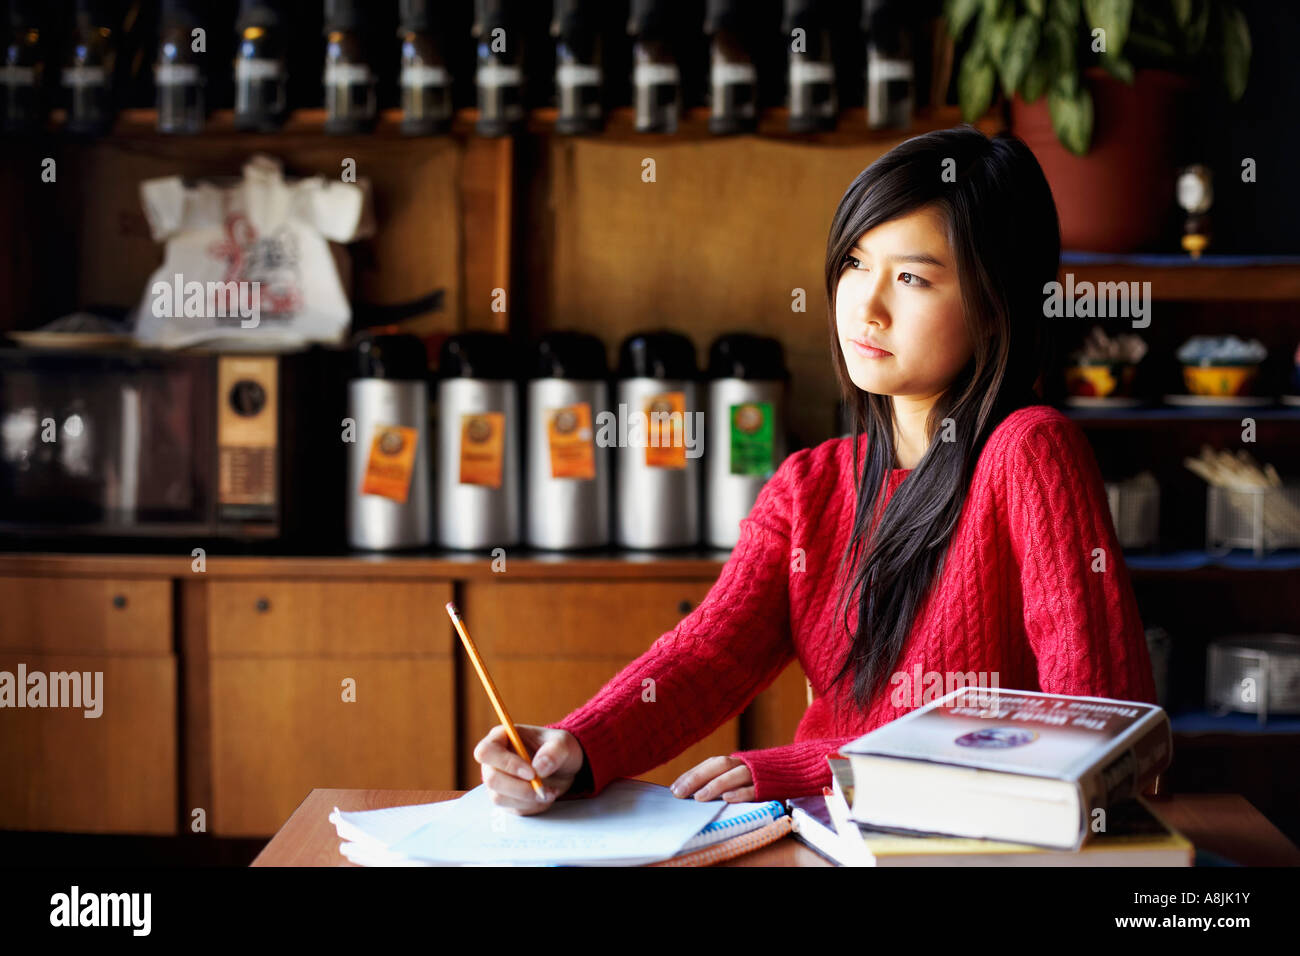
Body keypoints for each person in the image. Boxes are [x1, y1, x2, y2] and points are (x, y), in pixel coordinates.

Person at [474, 125, 1157, 815]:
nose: (866, 305)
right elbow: (710, 655)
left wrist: (835, 770)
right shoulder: (811, 485)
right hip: (821, 839)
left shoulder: (1030, 451)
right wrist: (577, 747)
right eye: (856, 263)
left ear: (995, 305)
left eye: (913, 277)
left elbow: (1097, 729)